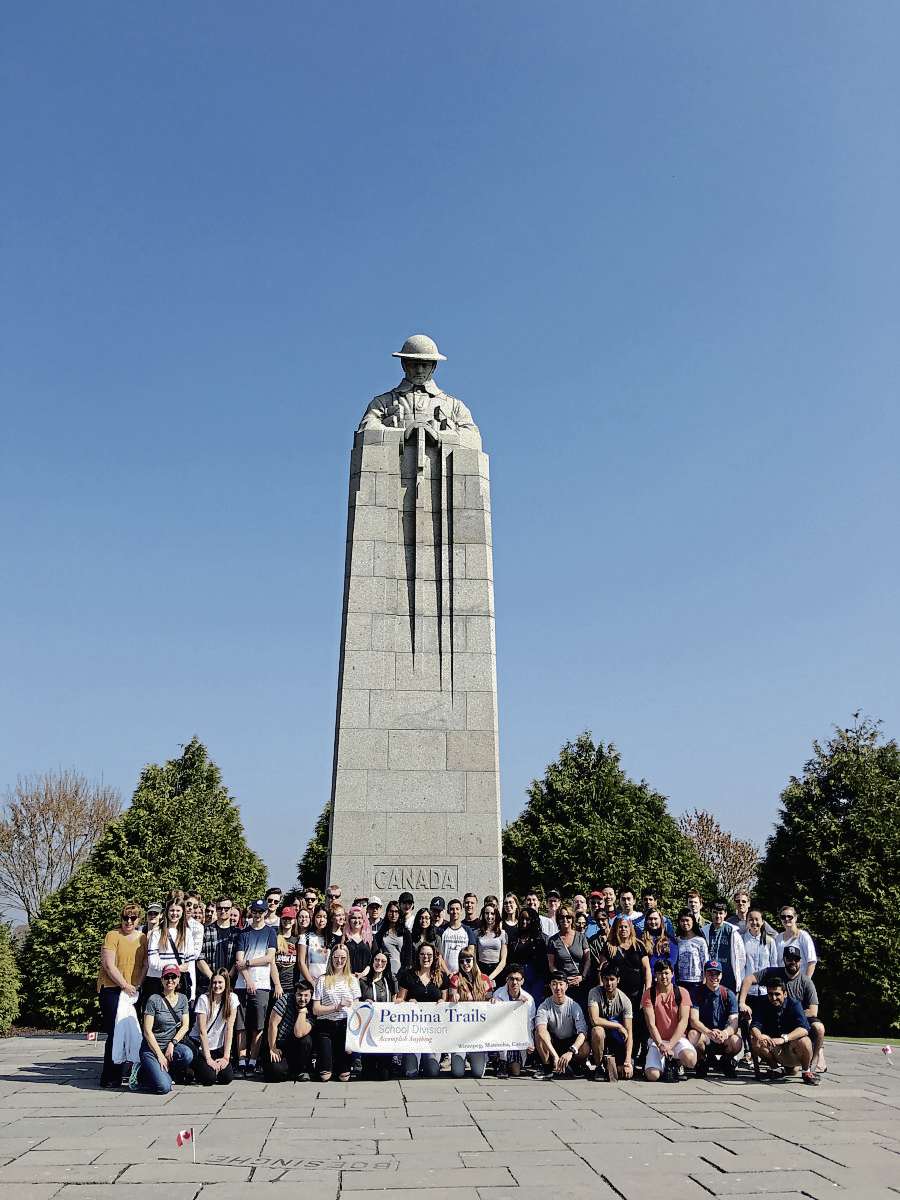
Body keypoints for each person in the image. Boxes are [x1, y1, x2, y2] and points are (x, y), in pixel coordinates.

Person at [742, 946, 827, 1073]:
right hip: (778, 1018)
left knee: (819, 1028)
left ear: (800, 961)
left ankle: (812, 1065)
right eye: (789, 959)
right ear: (784, 960)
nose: (793, 962)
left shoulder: (806, 982)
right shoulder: (773, 973)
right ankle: (776, 1067)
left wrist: (792, 1015)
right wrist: (742, 1003)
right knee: (757, 1038)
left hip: (799, 1018)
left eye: (796, 959)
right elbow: (748, 979)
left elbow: (813, 1012)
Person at [97, 902, 147, 1088]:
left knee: (132, 1032)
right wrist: (124, 985)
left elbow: (145, 964)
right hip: (112, 989)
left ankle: (130, 1072)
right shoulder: (112, 935)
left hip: (133, 991)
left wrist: (137, 984)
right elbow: (109, 965)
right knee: (115, 1032)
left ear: (138, 920)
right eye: (125, 918)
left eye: (132, 918)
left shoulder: (143, 938)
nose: (128, 921)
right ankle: (110, 1075)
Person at [235, 898, 279, 1073]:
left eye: (261, 912)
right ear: (251, 912)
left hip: (262, 984)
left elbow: (269, 958)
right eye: (255, 911)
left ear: (265, 913)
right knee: (241, 1026)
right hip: (242, 984)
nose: (257, 914)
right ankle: (241, 1060)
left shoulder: (270, 933)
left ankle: (253, 1061)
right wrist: (248, 979)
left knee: (258, 1026)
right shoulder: (243, 933)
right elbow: (238, 962)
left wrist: (248, 962)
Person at [134, 965, 192, 1093]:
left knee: (187, 1054)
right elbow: (147, 1031)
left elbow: (185, 1025)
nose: (170, 980)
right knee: (164, 1088)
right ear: (161, 980)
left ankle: (166, 1072)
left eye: (173, 977)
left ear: (178, 979)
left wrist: (173, 1043)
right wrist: (160, 1055)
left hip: (170, 1046)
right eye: (166, 977)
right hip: (152, 1048)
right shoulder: (153, 1000)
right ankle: (144, 1072)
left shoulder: (182, 999)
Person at [750, 978, 818, 1084]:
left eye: (777, 994)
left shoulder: (794, 1004)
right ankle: (775, 1069)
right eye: (770, 994)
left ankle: (806, 1071)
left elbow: (804, 1029)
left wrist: (784, 1039)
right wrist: (760, 1036)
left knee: (804, 1041)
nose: (773, 998)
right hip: (773, 1047)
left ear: (785, 994)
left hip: (793, 1047)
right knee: (755, 1041)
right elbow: (755, 1026)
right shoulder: (762, 1002)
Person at [396, 943, 446, 1079]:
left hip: (434, 1032)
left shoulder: (441, 976)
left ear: (434, 957)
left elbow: (445, 1002)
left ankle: (427, 1060)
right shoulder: (408, 975)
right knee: (410, 1073)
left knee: (432, 1072)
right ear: (418, 956)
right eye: (423, 954)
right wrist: (407, 1003)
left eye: (429, 955)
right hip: (413, 1031)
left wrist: (443, 1002)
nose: (426, 957)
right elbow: (399, 1000)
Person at [312, 943, 360, 1082]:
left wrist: (365, 1005)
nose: (339, 961)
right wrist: (336, 1007)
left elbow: (356, 1008)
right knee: (325, 1076)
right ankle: (322, 1062)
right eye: (336, 957)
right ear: (331, 958)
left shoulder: (352, 980)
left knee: (344, 1077)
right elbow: (316, 1009)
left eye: (343, 958)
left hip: (345, 1027)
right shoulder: (322, 979)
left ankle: (341, 1063)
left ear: (347, 959)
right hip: (325, 1026)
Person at [641, 960, 696, 1081]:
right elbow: (651, 1024)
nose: (663, 976)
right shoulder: (649, 994)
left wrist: (670, 1044)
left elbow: (683, 1021)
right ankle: (663, 1063)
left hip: (678, 1039)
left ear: (672, 974)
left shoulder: (682, 992)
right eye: (660, 973)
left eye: (666, 973)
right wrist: (661, 1044)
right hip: (658, 1041)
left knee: (691, 1059)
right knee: (652, 1076)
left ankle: (677, 1063)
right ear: (655, 975)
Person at [688, 959, 742, 1077]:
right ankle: (701, 1061)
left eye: (717, 974)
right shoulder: (696, 992)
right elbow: (693, 1020)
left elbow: (734, 1022)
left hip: (722, 1036)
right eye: (710, 973)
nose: (714, 977)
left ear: (721, 975)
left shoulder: (728, 994)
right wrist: (708, 1032)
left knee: (736, 1042)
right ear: (705, 974)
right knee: (692, 1035)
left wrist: (725, 1033)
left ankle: (726, 1061)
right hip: (705, 1034)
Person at [534, 972, 590, 1079]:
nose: (558, 988)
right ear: (550, 986)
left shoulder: (574, 1005)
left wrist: (571, 1051)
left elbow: (583, 1032)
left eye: (561, 984)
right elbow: (541, 1030)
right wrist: (555, 1056)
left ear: (566, 986)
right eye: (554, 984)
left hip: (570, 1042)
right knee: (538, 1034)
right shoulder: (544, 1006)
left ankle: (575, 1065)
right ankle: (547, 1067)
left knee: (585, 1046)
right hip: (553, 1043)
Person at [148, 898, 202, 1007]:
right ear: (167, 912)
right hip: (157, 981)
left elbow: (189, 966)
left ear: (182, 912)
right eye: (172, 910)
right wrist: (176, 968)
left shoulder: (187, 934)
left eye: (178, 911)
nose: (174, 914)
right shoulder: (157, 933)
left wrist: (192, 992)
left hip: (178, 983)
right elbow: (153, 962)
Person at [448, 947, 493, 1079]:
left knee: (478, 1073)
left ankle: (475, 1058)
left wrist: (492, 999)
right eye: (462, 961)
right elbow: (451, 995)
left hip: (477, 1031)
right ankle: (459, 1058)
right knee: (458, 1073)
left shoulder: (484, 979)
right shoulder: (455, 979)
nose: (465, 964)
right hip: (459, 1031)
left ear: (474, 961)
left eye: (468, 960)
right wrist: (454, 997)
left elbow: (489, 999)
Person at [189, 969, 238, 1086]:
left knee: (227, 1077)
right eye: (214, 982)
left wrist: (226, 1057)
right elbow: (202, 1032)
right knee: (209, 1078)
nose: (217, 986)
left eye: (220, 982)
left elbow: (229, 1029)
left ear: (226, 983)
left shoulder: (232, 999)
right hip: (200, 1046)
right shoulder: (203, 1000)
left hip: (217, 1047)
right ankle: (191, 1069)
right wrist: (209, 1059)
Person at [587, 961, 634, 1082]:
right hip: (600, 1035)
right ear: (602, 979)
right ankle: (598, 1067)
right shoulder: (594, 993)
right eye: (606, 979)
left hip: (617, 1039)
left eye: (612, 979)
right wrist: (617, 1026)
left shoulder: (625, 1001)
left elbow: (629, 1032)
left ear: (618, 980)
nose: (609, 983)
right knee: (597, 1031)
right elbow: (594, 1020)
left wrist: (628, 1060)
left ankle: (619, 1063)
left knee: (626, 1073)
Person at [265, 978, 315, 1081]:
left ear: (311, 996)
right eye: (299, 995)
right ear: (295, 994)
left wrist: (302, 1011)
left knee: (306, 1040)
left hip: (296, 1044)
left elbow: (299, 1033)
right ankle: (288, 1071)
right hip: (279, 1043)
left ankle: (300, 1070)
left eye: (306, 996)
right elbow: (273, 1024)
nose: (302, 998)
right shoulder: (285, 999)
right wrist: (273, 1048)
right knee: (275, 1072)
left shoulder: (311, 1009)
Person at [359, 949, 397, 1080]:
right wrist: (363, 1002)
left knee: (384, 1075)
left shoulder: (391, 981)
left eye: (383, 961)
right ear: (372, 961)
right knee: (368, 1074)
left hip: (385, 1030)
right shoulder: (363, 982)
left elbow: (395, 1001)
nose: (379, 963)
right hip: (368, 1029)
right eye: (377, 960)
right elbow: (356, 1003)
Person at [493, 964, 535, 1078]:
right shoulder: (498, 994)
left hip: (517, 1036)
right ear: (507, 980)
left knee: (516, 1071)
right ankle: (501, 1061)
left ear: (522, 981)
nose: (514, 982)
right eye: (511, 979)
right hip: (502, 1034)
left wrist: (529, 1043)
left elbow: (529, 1024)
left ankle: (507, 1061)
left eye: (518, 979)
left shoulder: (529, 999)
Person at [702, 901, 747, 993]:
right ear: (711, 912)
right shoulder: (704, 931)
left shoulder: (732, 931)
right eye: (715, 912)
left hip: (728, 976)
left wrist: (737, 972)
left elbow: (741, 956)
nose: (718, 916)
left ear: (725, 914)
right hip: (711, 975)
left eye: (721, 913)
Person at [547, 906, 588, 1000]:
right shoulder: (553, 940)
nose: (565, 919)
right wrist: (562, 979)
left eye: (568, 917)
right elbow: (551, 965)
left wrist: (582, 977)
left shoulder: (581, 937)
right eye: (561, 917)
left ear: (572, 918)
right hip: (562, 986)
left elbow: (587, 959)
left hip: (580, 983)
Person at [513, 906, 550, 1002]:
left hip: (537, 978)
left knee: (535, 1003)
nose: (524, 922)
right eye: (522, 919)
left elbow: (546, 962)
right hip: (519, 978)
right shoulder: (514, 938)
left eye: (527, 919)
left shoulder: (542, 938)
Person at [675, 909, 708, 1003]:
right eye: (682, 921)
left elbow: (705, 962)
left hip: (696, 982)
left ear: (693, 921)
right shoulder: (677, 940)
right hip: (681, 981)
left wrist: (705, 982)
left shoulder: (700, 941)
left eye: (687, 920)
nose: (685, 923)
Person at [374, 900, 413, 977]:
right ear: (387, 913)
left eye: (396, 912)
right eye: (391, 911)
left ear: (400, 914)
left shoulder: (405, 933)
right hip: (385, 972)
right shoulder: (381, 932)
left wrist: (405, 971)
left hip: (401, 972)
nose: (393, 914)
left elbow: (409, 956)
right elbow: (377, 952)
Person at [775, 907, 817, 976]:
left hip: (799, 981)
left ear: (795, 918)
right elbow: (776, 962)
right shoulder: (778, 938)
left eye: (789, 916)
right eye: (783, 917)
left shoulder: (803, 936)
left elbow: (811, 961)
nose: (786, 919)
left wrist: (805, 982)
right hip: (782, 982)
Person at [440, 898, 476, 975]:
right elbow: (438, 955)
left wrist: (462, 971)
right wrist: (447, 972)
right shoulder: (441, 930)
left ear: (461, 911)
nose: (455, 912)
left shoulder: (468, 930)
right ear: (448, 911)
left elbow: (470, 953)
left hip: (464, 974)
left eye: (457, 909)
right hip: (445, 974)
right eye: (452, 909)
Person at [475, 901, 508, 984]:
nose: (489, 916)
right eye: (487, 913)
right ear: (483, 914)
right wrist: (481, 976)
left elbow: (503, 961)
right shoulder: (477, 933)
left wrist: (489, 978)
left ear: (496, 915)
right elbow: (473, 957)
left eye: (492, 913)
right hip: (481, 970)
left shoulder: (502, 933)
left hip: (497, 971)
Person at [298, 903, 331, 987]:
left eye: (325, 917)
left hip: (326, 983)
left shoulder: (330, 939)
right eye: (319, 916)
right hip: (308, 984)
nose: (322, 920)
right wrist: (311, 981)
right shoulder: (305, 937)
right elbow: (301, 962)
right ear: (314, 918)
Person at [274, 906, 300, 993]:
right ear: (281, 920)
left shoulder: (297, 940)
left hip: (292, 985)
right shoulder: (275, 938)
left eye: (290, 918)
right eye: (284, 918)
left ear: (294, 920)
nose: (287, 921)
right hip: (276, 984)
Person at [345, 905, 373, 980]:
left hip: (365, 979)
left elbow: (373, 959)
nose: (357, 921)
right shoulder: (345, 938)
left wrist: (363, 974)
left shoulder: (369, 938)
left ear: (363, 920)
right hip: (348, 978)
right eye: (354, 918)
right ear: (349, 920)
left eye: (359, 918)